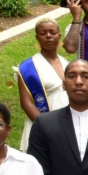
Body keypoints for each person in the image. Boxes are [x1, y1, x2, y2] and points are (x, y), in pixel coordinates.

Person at [15, 17, 69, 152]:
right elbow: (26, 102)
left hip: (68, 122)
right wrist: (46, 128)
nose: (48, 36)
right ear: (37, 37)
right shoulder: (28, 67)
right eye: (43, 33)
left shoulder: (67, 63)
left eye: (52, 32)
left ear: (59, 35)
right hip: (41, 123)